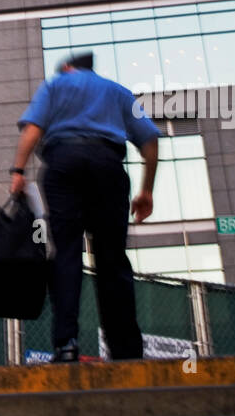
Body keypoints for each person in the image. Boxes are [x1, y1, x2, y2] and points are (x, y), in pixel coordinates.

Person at [8, 52, 159, 362]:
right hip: (108, 166)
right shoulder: (118, 91)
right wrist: (146, 190)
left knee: (66, 254)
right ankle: (126, 351)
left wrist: (18, 171)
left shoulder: (56, 85)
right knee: (112, 259)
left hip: (63, 165)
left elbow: (32, 129)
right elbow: (150, 142)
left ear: (68, 67)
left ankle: (66, 345)